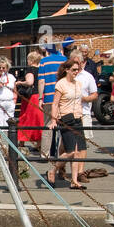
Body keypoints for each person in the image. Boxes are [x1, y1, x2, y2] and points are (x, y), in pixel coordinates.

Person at [47, 61, 88, 189]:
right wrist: (54, 121)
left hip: (77, 117)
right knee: (70, 151)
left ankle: (74, 180)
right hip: (66, 118)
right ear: (67, 70)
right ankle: (52, 170)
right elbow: (55, 103)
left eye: (78, 70)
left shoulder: (78, 84)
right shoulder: (61, 84)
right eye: (74, 69)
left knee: (77, 152)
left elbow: (79, 101)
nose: (76, 72)